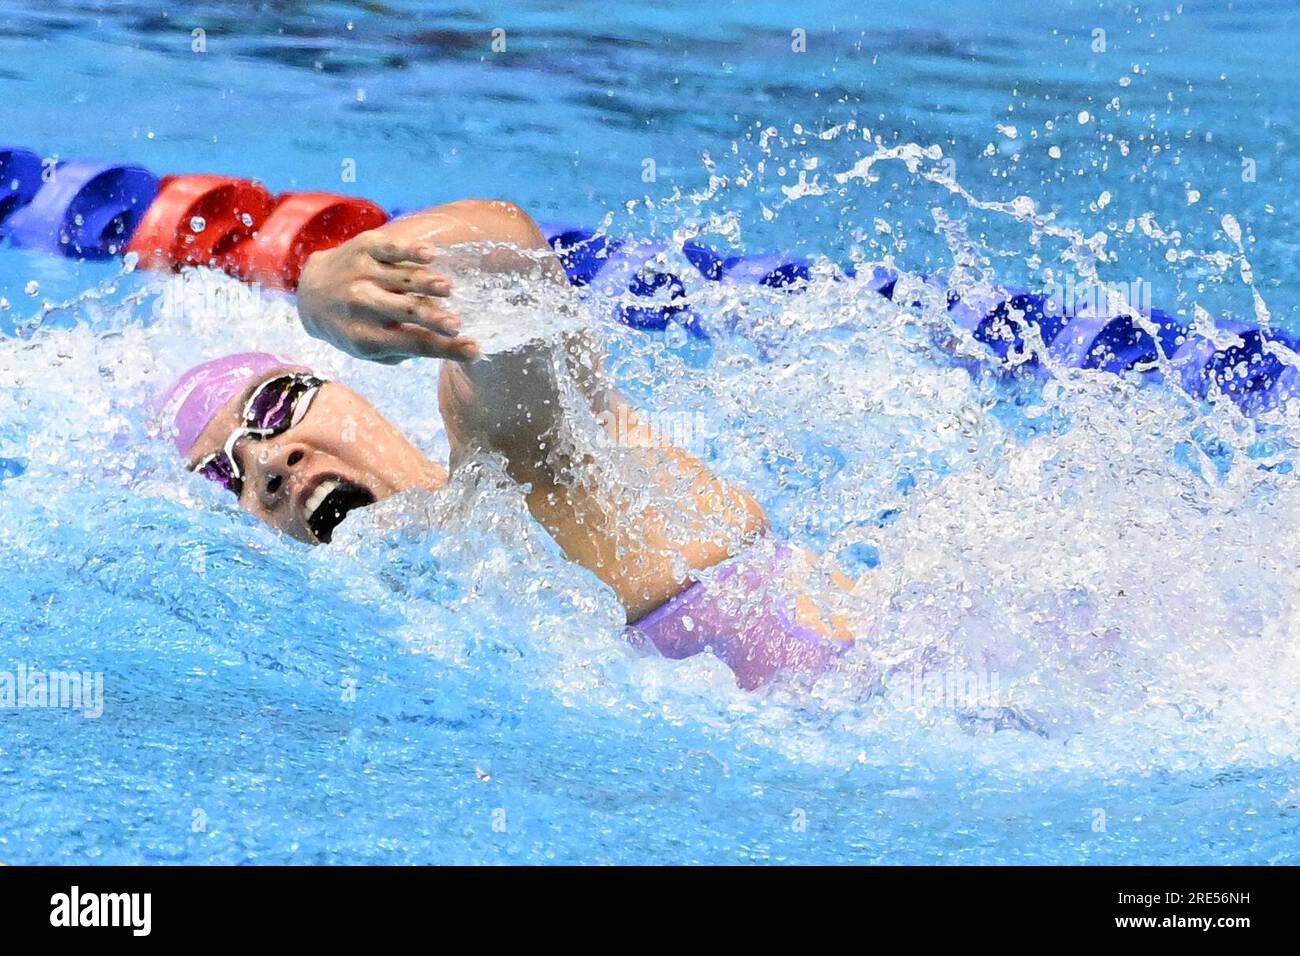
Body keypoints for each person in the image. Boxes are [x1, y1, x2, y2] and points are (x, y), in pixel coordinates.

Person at [159, 199, 858, 689]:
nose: (271, 460)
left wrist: (329, 281)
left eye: (276, 405)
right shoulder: (434, 648)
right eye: (225, 476)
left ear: (352, 396)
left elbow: (508, 258)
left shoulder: (519, 468)